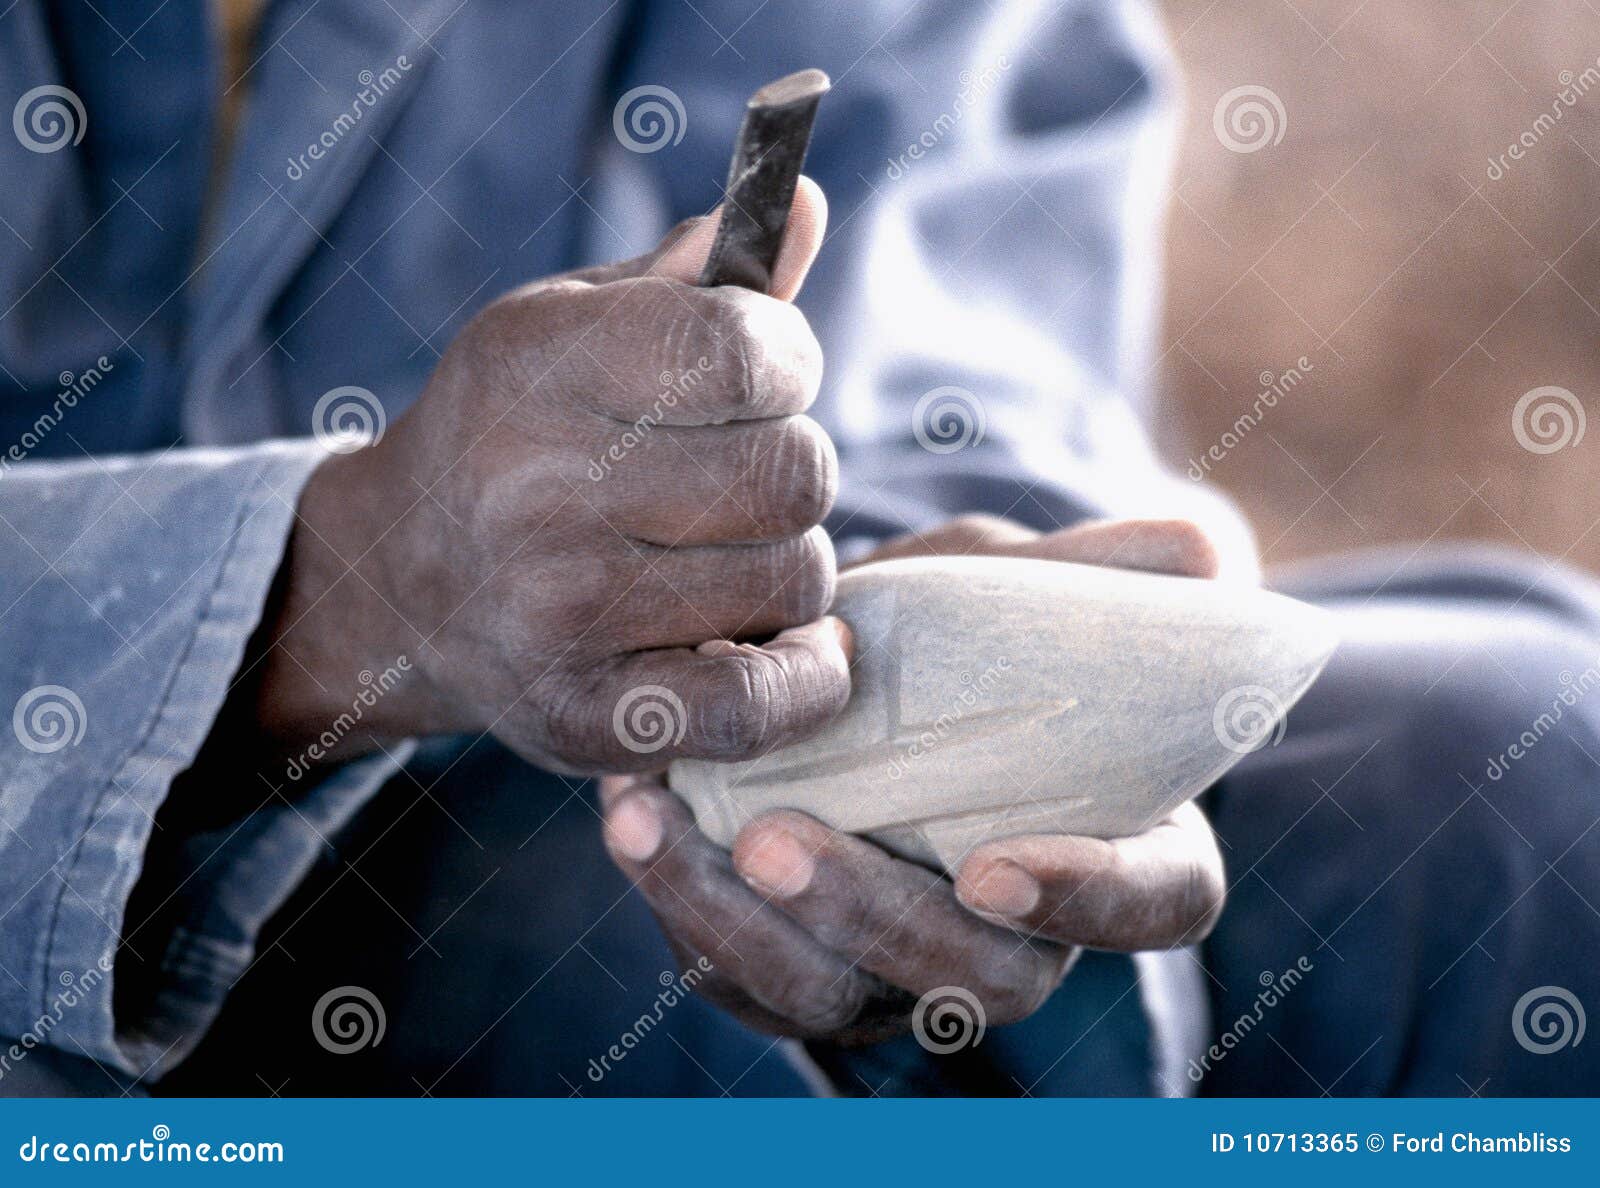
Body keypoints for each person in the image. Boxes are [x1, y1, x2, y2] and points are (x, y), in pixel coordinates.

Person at [1, 0, 1596, 1097]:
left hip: (591, 797)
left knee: (1525, 783)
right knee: (658, 996)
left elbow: (948, 319)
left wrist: (953, 660)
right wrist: (327, 592)